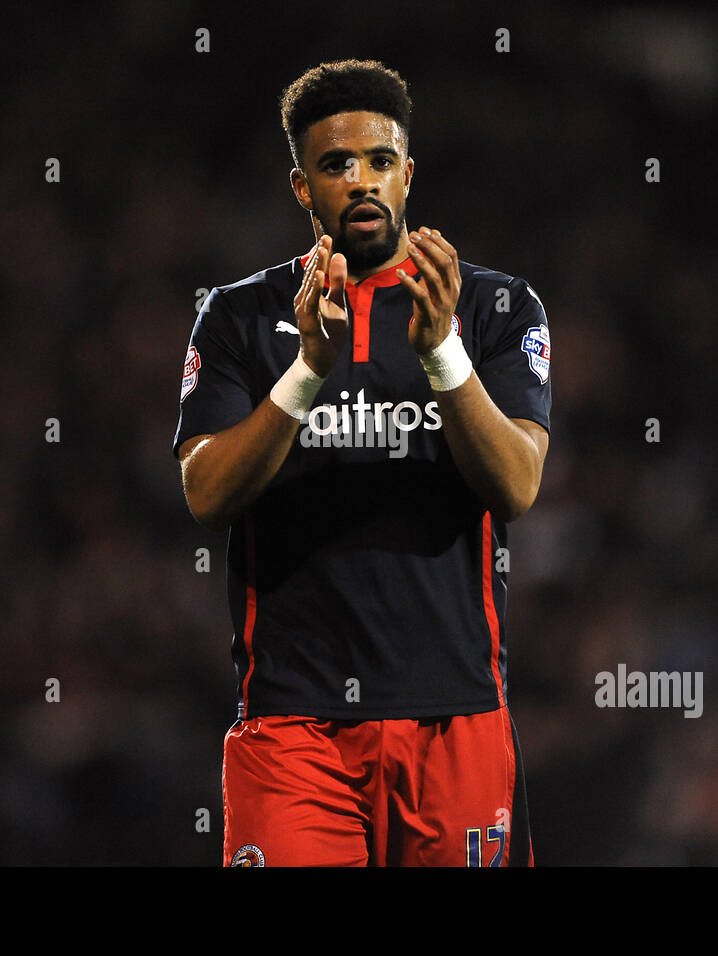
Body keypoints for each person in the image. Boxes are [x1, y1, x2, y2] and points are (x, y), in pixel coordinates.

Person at [174, 59, 550, 866]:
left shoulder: (492, 308)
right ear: (302, 187)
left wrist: (443, 354)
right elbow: (206, 494)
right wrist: (308, 370)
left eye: (380, 160)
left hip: (455, 716)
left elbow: (516, 484)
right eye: (336, 165)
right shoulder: (240, 316)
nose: (362, 181)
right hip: (292, 726)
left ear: (408, 172)